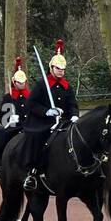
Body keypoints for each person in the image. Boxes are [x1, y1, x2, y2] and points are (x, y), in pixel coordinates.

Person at [22, 40, 79, 192]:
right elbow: (31, 104)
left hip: (63, 121)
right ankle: (32, 172)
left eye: (63, 69)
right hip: (42, 121)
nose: (61, 71)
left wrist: (74, 116)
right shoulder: (43, 84)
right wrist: (46, 111)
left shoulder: (68, 87)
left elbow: (73, 104)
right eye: (58, 68)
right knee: (37, 137)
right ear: (52, 68)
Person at [0, 57, 31, 179]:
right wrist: (9, 119)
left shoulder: (30, 97)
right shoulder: (8, 97)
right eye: (19, 82)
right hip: (13, 128)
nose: (22, 85)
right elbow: (1, 117)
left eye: (23, 82)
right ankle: (0, 163)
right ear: (14, 83)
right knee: (1, 139)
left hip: (27, 127)